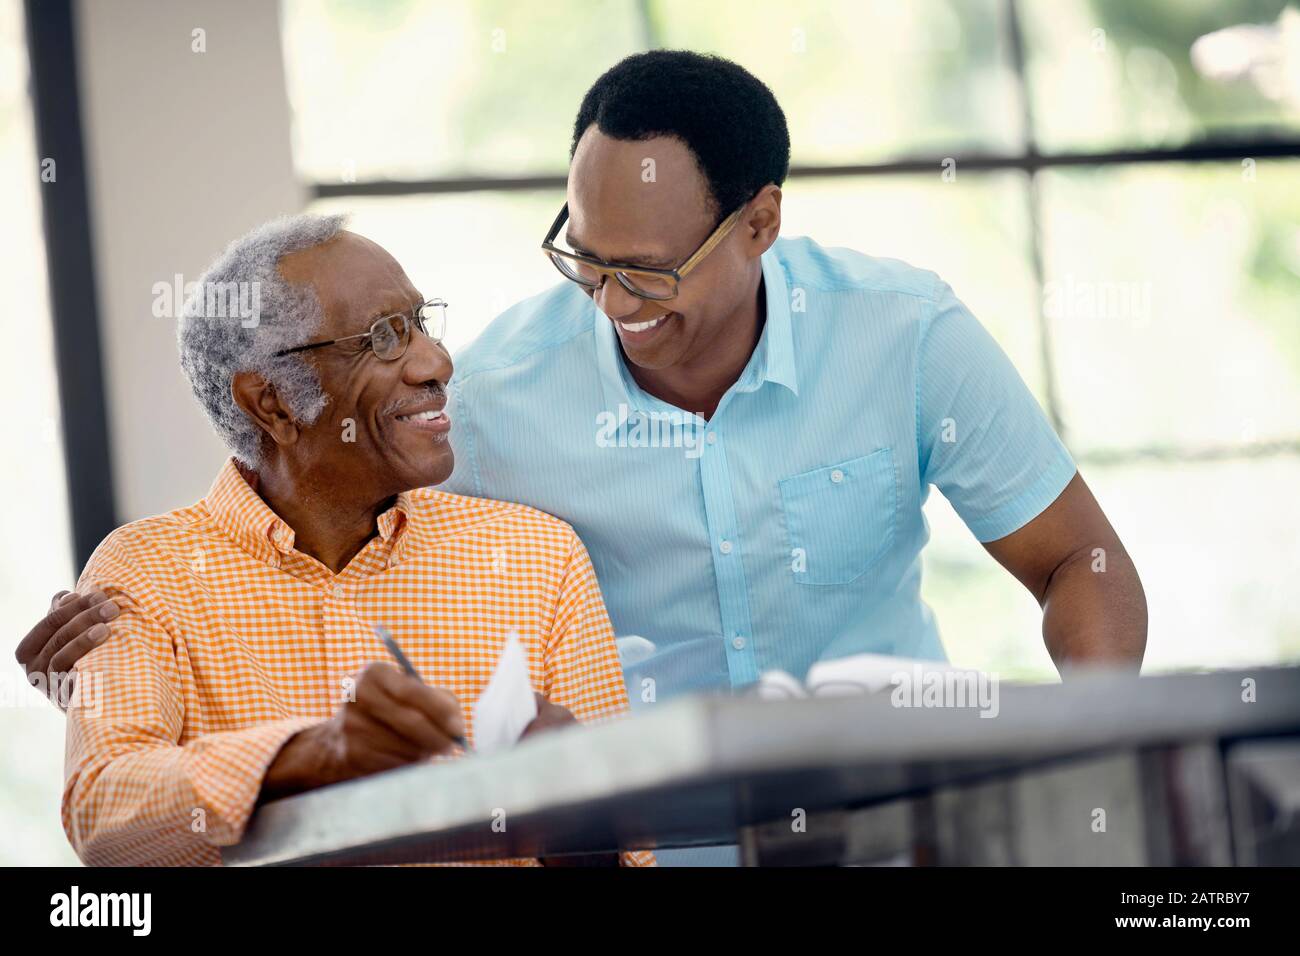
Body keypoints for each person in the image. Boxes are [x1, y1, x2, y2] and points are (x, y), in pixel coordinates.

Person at [49, 213, 651, 867]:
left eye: (422, 324)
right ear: (273, 403)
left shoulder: (537, 556)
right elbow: (106, 817)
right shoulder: (147, 570)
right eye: (385, 338)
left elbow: (625, 861)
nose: (437, 363)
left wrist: (580, 824)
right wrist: (314, 757)